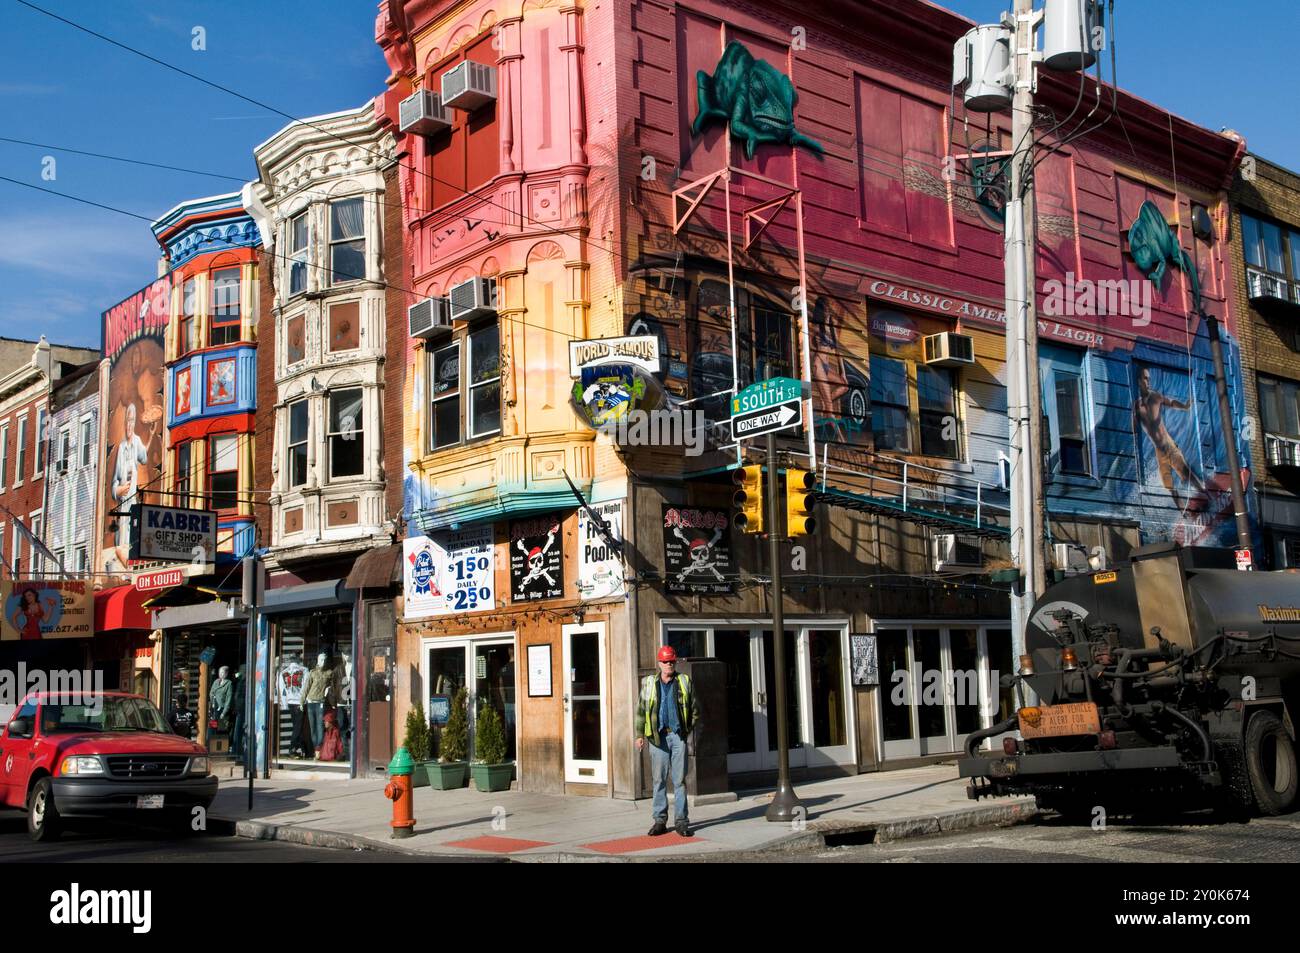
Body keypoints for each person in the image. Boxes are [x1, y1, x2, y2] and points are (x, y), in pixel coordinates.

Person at [634, 645, 699, 837]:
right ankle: (659, 821)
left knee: (679, 781)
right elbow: (640, 711)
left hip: (678, 736)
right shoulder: (648, 684)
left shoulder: (685, 681)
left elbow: (695, 710)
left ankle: (681, 822)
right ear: (659, 663)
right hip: (657, 737)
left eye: (671, 661)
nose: (668, 664)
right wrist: (639, 735)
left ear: (675, 661)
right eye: (665, 661)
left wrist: (687, 730)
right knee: (658, 781)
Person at [1132, 366, 1208, 512]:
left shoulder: (1155, 397)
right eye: (1145, 379)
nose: (1148, 382)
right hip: (1158, 451)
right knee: (1169, 485)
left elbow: (1171, 402)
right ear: (1139, 381)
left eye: (1149, 379)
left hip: (1168, 445)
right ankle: (1183, 513)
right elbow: (1134, 430)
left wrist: (1185, 406)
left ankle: (1206, 495)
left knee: (1186, 473)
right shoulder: (1137, 406)